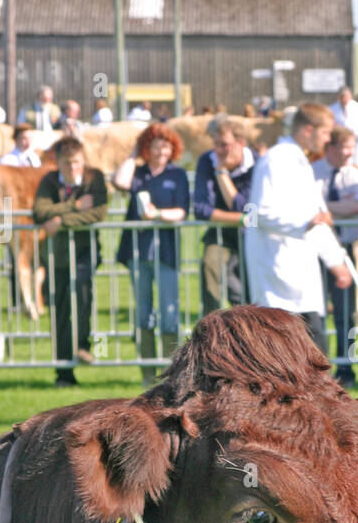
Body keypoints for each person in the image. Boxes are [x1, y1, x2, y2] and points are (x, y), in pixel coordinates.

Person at [244, 102, 352, 354]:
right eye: (325, 133)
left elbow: (315, 217)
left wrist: (336, 262)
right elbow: (261, 212)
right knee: (287, 357)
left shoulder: (299, 161)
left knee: (313, 354)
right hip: (276, 274)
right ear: (308, 130)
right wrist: (304, 223)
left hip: (298, 274)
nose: (327, 140)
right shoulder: (276, 160)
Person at [113, 123, 189, 386]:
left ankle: (170, 376)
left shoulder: (177, 175)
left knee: (169, 314)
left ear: (172, 149)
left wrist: (156, 214)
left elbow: (182, 211)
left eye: (166, 146)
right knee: (143, 313)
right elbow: (119, 181)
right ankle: (147, 375)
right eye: (155, 145)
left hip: (166, 251)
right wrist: (134, 154)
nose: (161, 151)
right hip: (138, 250)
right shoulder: (139, 172)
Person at [33, 136, 108, 387]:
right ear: (58, 163)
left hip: (86, 250)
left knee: (82, 292)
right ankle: (64, 372)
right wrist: (75, 205)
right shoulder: (49, 180)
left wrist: (62, 220)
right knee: (61, 310)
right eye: (67, 164)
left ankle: (82, 344)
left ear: (83, 159)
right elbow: (40, 211)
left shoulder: (94, 178)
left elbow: (98, 212)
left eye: (76, 162)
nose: (72, 168)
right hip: (57, 256)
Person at [312, 126, 358, 386]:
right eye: (344, 147)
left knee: (345, 313)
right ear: (330, 148)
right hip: (315, 254)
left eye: (351, 147)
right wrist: (336, 209)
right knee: (315, 313)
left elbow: (357, 205)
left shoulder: (356, 175)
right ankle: (317, 370)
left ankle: (347, 369)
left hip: (345, 250)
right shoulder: (313, 172)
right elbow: (306, 205)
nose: (348, 153)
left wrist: (324, 209)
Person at [193, 114, 256, 315]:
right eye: (216, 144)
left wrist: (221, 175)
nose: (219, 150)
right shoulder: (207, 161)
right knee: (210, 265)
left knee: (246, 288)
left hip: (252, 237)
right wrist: (240, 220)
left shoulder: (256, 164)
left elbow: (246, 207)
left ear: (241, 143)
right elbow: (201, 209)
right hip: (220, 234)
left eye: (225, 144)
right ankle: (210, 330)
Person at [330, 86, 358, 170]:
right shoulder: (332, 109)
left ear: (350, 96)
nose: (343, 99)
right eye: (341, 97)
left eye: (345, 96)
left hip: (357, 143)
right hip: (340, 143)